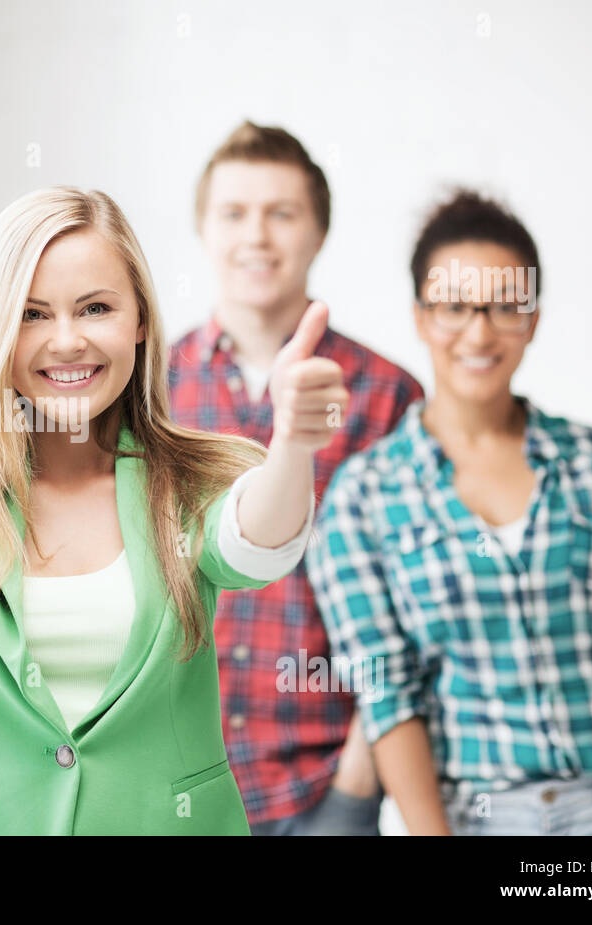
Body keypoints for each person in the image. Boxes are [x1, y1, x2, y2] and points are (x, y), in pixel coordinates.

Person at [0, 186, 346, 835]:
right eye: (32, 314)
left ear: (140, 319)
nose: (66, 340)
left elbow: (255, 543)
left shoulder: (181, 482)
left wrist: (292, 444)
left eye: (95, 308)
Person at [307, 189, 592, 835]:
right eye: (455, 307)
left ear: (532, 318)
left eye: (504, 306)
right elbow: (389, 699)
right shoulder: (364, 495)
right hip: (490, 816)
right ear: (422, 317)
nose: (479, 332)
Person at [168, 120, 423, 834]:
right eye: (235, 213)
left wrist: (355, 783)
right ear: (204, 229)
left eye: (282, 213)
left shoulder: (385, 395)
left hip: (322, 794)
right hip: (172, 789)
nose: (257, 236)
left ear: (317, 234)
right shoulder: (150, 390)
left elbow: (414, 611)